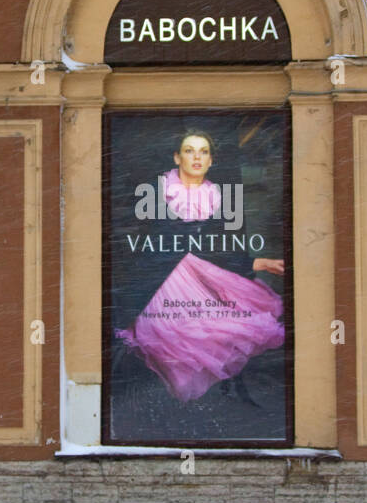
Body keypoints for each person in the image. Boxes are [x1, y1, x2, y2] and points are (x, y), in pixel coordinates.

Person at [114, 130, 285, 404]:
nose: (197, 157)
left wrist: (259, 262)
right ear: (177, 157)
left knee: (233, 326)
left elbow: (219, 245)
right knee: (179, 334)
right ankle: (160, 410)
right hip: (160, 275)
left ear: (211, 161)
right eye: (189, 150)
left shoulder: (215, 195)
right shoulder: (158, 191)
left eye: (203, 151)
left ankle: (219, 398)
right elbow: (137, 240)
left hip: (199, 271)